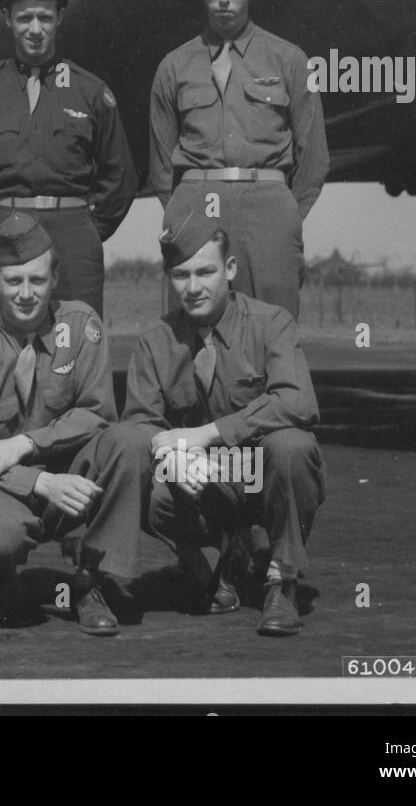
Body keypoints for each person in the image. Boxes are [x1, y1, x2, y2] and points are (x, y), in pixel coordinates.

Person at [122, 209, 326, 636]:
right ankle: (214, 567)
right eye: (181, 275)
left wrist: (206, 434)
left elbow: (298, 401)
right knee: (140, 477)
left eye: (205, 272)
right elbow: (139, 425)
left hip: (259, 476)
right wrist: (172, 456)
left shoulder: (271, 324)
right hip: (203, 484)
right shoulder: (154, 343)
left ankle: (281, 581)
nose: (193, 287)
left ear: (230, 269)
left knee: (293, 446)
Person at [0, 212, 148, 636]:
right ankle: (0, 574)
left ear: (55, 278)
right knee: (1, 536)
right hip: (0, 484)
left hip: (68, 477)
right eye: (13, 281)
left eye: (36, 280)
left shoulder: (81, 327)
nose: (25, 293)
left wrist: (24, 444)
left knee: (127, 440)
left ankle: (95, 580)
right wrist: (38, 482)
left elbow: (98, 413)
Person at [148, 0, 329, 318]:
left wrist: (285, 219)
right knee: (190, 341)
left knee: (273, 331)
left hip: (268, 214)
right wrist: (183, 215)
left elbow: (313, 158)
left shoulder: (291, 61)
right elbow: (162, 168)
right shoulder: (173, 67)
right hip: (196, 211)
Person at [0, 0, 136, 318]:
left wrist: (86, 230)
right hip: (2, 233)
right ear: (7, 19)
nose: (35, 29)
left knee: (77, 345)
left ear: (60, 17)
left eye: (45, 18)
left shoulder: (91, 92)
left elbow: (120, 176)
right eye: (24, 18)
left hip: (72, 237)